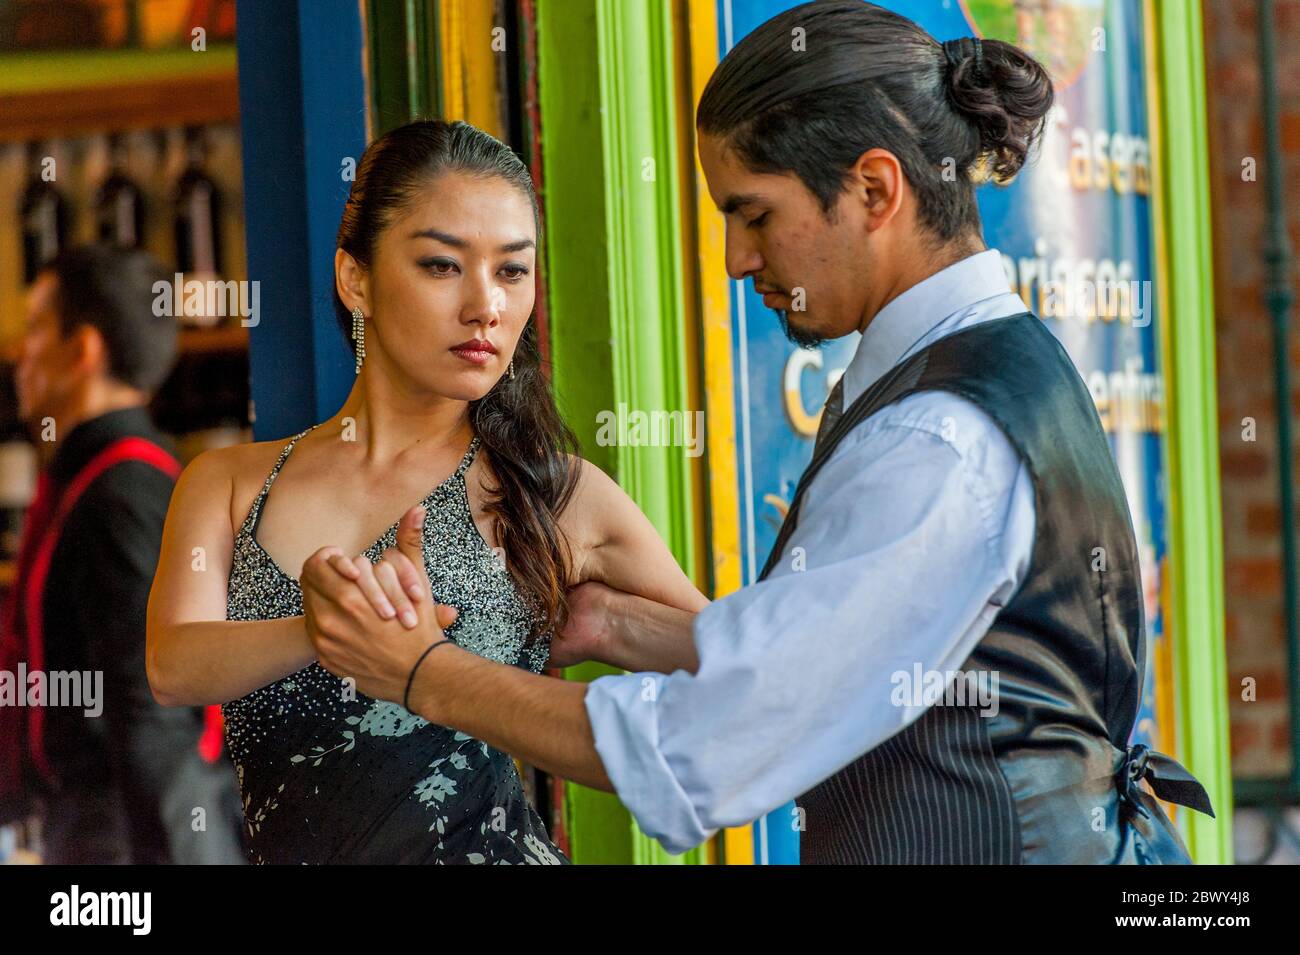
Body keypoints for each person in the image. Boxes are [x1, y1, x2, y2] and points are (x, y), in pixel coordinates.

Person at [300, 1, 1214, 864]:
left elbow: (702, 749)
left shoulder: (939, 439)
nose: (738, 260)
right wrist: (615, 622)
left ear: (873, 187)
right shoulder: (967, 371)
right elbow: (849, 657)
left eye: (754, 214)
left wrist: (421, 670)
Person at [145, 119, 709, 864]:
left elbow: (751, 669)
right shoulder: (228, 483)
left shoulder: (555, 494)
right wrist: (328, 627)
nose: (487, 306)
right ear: (357, 279)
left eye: (512, 271)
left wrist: (612, 624)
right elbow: (171, 666)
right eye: (443, 266)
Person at [0, 244, 244, 864]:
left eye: (36, 329)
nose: (20, 354)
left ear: (82, 351)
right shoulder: (100, 477)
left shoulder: (119, 493)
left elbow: (153, 708)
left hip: (121, 846)